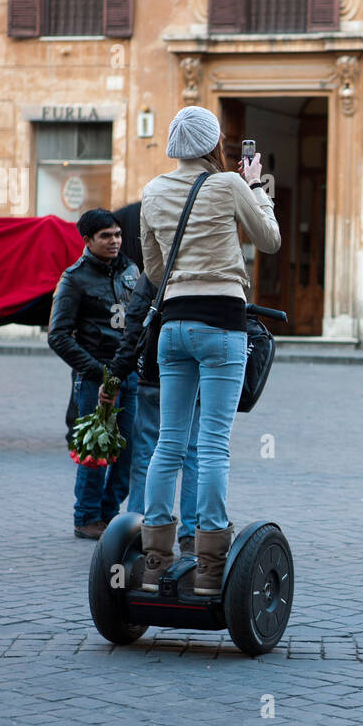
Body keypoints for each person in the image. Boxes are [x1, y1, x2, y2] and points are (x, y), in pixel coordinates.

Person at [139, 106, 280, 595]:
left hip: (173, 325)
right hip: (222, 321)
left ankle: (155, 560)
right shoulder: (228, 184)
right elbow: (270, 240)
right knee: (214, 443)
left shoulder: (152, 191)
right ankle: (209, 568)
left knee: (169, 441)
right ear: (214, 144)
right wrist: (258, 188)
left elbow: (154, 272)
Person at [48, 208, 141, 539]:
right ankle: (86, 518)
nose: (115, 241)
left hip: (129, 374)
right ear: (87, 240)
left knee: (127, 450)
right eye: (106, 236)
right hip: (95, 381)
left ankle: (109, 515)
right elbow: (57, 336)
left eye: (117, 234)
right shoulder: (73, 279)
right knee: (96, 450)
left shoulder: (131, 270)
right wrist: (100, 373)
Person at [106, 272, 203, 550]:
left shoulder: (155, 270)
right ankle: (191, 535)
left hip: (153, 370)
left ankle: (136, 529)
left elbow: (133, 325)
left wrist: (114, 377)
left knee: (147, 452)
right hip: (194, 372)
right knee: (192, 452)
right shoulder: (206, 266)